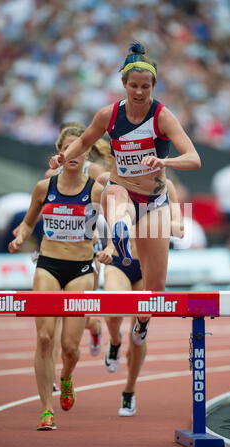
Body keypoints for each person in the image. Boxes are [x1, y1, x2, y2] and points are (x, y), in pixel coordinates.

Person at [49, 41, 201, 347]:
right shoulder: (109, 114)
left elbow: (194, 159)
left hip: (155, 202)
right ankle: (119, 229)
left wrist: (164, 161)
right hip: (121, 191)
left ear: (154, 86)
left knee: (156, 288)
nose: (140, 92)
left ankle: (142, 321)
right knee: (117, 200)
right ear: (124, 84)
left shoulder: (162, 116)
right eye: (134, 86)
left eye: (146, 87)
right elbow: (84, 140)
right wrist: (64, 158)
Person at [8, 127, 112, 431]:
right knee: (43, 338)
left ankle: (66, 376)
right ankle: (46, 410)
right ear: (60, 153)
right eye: (69, 149)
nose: (75, 155)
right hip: (48, 265)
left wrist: (107, 248)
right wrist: (20, 238)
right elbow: (27, 225)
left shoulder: (95, 189)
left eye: (81, 150)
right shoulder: (44, 187)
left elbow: (114, 222)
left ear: (87, 154)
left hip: (81, 270)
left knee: (69, 347)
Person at [99, 171, 183, 416]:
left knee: (138, 337)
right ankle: (114, 341)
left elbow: (179, 226)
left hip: (145, 267)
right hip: (118, 260)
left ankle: (129, 390)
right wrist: (107, 247)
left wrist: (166, 226)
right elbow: (102, 219)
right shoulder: (114, 181)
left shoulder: (166, 186)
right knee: (113, 310)